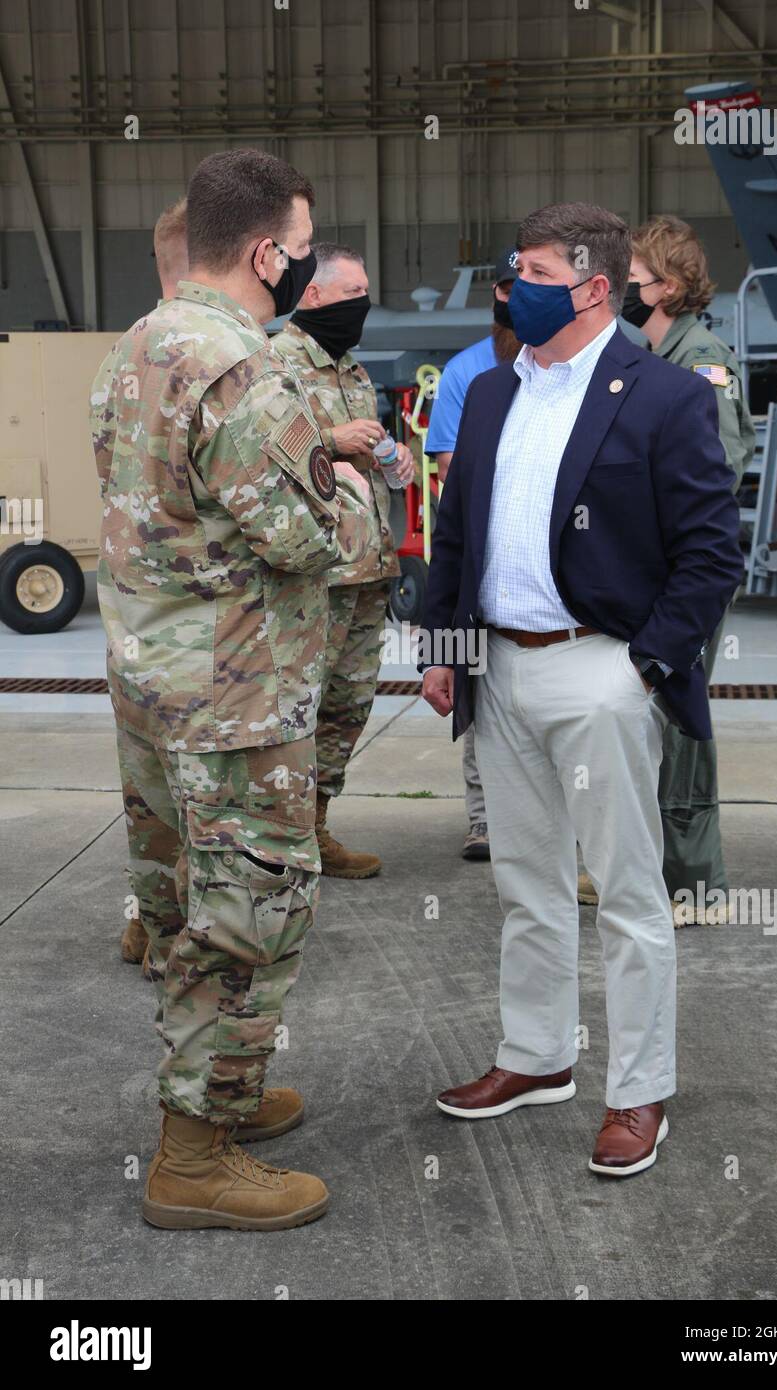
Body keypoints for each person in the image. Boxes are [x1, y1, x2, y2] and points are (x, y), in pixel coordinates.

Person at [420, 201, 743, 1177]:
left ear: (594, 287)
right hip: (499, 668)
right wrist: (442, 648)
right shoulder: (490, 393)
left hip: (601, 668)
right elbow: (454, 533)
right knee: (526, 883)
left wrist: (640, 668)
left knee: (629, 896)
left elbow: (710, 553)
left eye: (531, 274)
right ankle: (536, 1056)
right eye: (511, 271)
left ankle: (637, 1091)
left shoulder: (663, 397)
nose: (509, 288)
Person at [92, 148, 376, 1231]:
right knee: (248, 913)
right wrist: (348, 488)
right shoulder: (238, 368)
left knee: (188, 902)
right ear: (266, 254)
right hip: (236, 697)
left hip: (156, 685)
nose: (302, 266)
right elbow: (306, 538)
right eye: (299, 250)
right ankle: (193, 1158)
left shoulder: (138, 343)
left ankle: (229, 1096)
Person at [618, 214, 755, 923]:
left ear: (667, 287)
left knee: (681, 717)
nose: (622, 289)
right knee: (648, 716)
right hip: (653, 566)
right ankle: (649, 868)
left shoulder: (701, 359)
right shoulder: (650, 354)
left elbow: (720, 464)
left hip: (688, 570)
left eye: (633, 278)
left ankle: (696, 884)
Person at [270, 244, 413, 878]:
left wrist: (393, 458)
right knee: (297, 707)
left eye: (365, 292)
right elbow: (259, 452)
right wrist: (331, 439)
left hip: (369, 567)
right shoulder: (275, 363)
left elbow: (365, 457)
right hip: (315, 574)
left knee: (346, 708)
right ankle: (281, 836)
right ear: (315, 295)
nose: (362, 304)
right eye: (352, 292)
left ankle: (317, 825)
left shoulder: (351, 369)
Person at [424, 248, 521, 860]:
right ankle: (484, 820)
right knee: (476, 695)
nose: (516, 298)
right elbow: (449, 474)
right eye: (508, 288)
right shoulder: (467, 372)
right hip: (479, 565)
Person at [119, 198, 190, 969]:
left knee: (150, 799)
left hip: (135, 624)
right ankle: (182, 950)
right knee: (212, 811)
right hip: (210, 640)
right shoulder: (223, 355)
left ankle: (155, 930)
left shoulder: (124, 351)